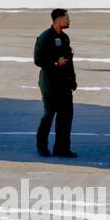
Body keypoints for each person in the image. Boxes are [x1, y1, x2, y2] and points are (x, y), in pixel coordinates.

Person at [33, 9, 77, 158]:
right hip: (50, 84)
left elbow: (69, 62)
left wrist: (72, 80)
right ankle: (42, 146)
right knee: (49, 115)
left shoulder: (64, 38)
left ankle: (62, 148)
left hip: (64, 84)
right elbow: (38, 60)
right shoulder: (45, 37)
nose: (69, 21)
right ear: (58, 20)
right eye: (67, 18)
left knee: (66, 117)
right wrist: (55, 63)